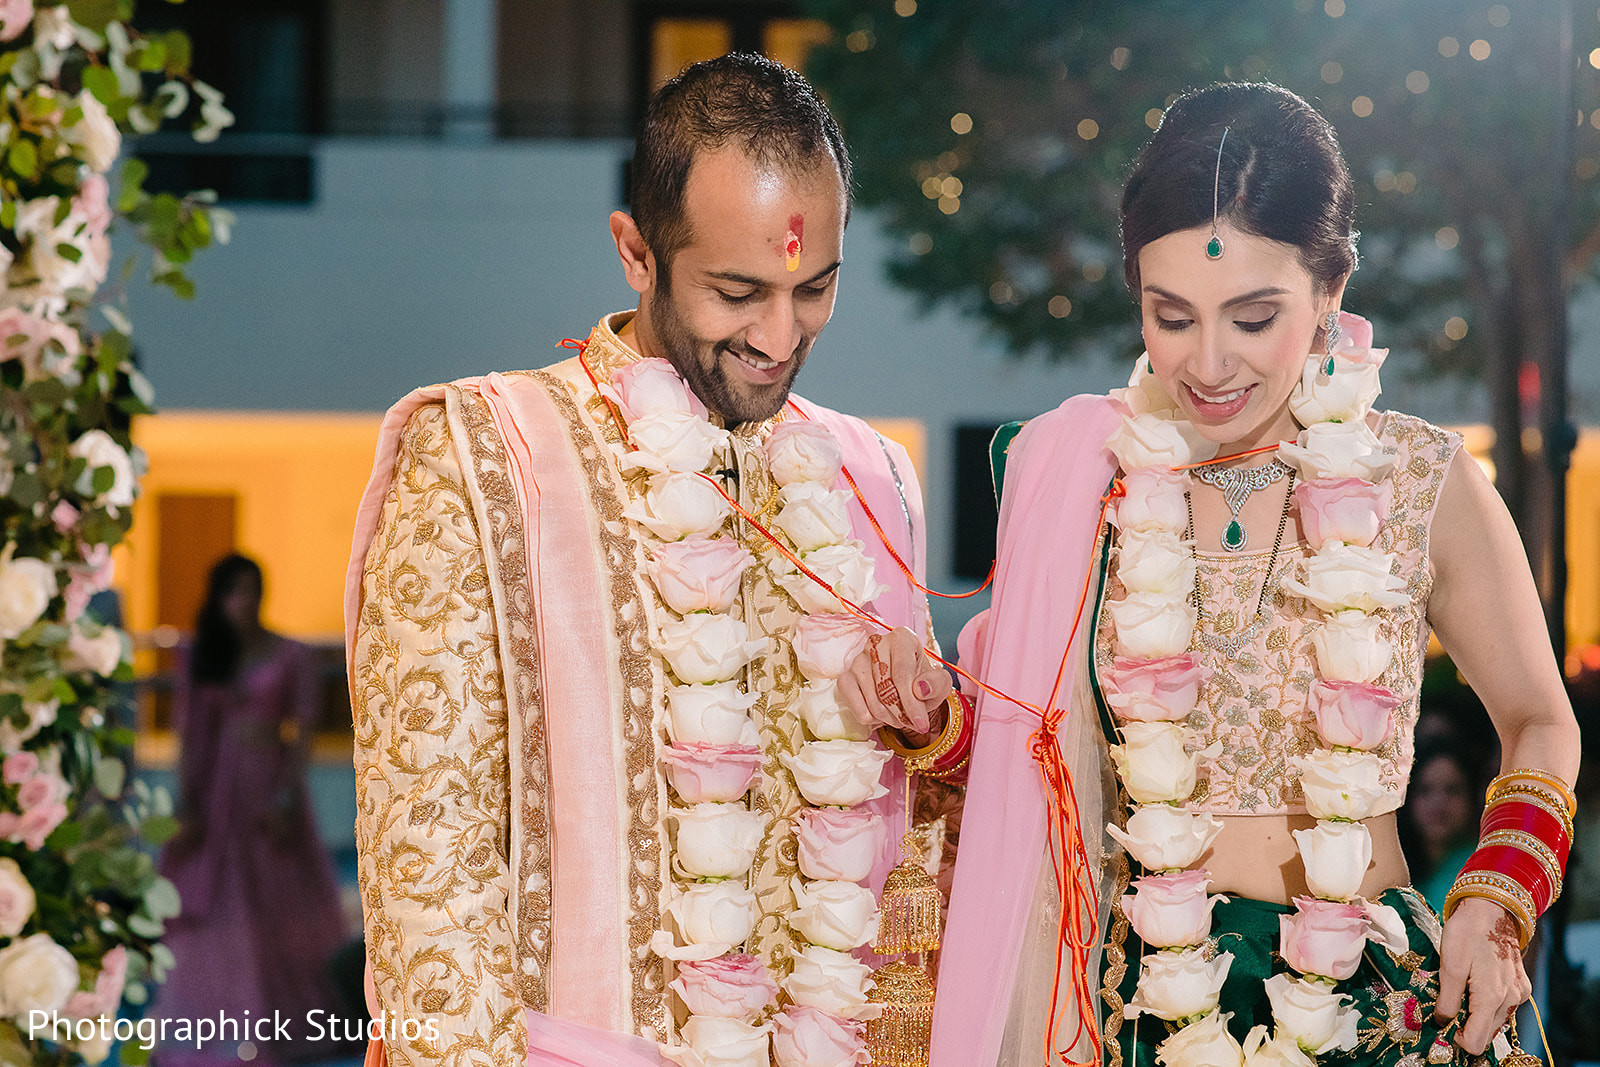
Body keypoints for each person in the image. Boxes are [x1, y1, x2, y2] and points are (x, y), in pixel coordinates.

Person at [932, 82, 1580, 1067]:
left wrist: (1496, 895)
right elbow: (1022, 767)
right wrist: (924, 715)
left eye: (1252, 315)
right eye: (1171, 314)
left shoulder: (1415, 475)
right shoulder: (1082, 481)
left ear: (1329, 286)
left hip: (1378, 1012)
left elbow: (1539, 714)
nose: (1209, 360)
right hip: (1143, 1009)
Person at [345, 53, 964, 1067]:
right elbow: (430, 878)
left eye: (816, 287)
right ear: (635, 252)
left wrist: (934, 736)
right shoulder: (483, 455)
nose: (780, 333)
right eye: (737, 289)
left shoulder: (871, 476)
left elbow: (908, 863)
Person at [154, 554, 348, 1067]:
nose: (244, 600)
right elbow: (187, 729)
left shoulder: (291, 654)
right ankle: (209, 1025)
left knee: (274, 899)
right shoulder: (203, 653)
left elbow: (302, 730)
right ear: (218, 597)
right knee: (212, 899)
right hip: (215, 787)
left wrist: (285, 796)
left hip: (267, 785)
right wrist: (186, 801)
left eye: (251, 589)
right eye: (234, 591)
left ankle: (278, 1025)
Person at [1399, 740, 1485, 915]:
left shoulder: (1484, 868)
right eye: (1425, 790)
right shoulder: (1392, 864)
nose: (1438, 803)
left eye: (1452, 790)